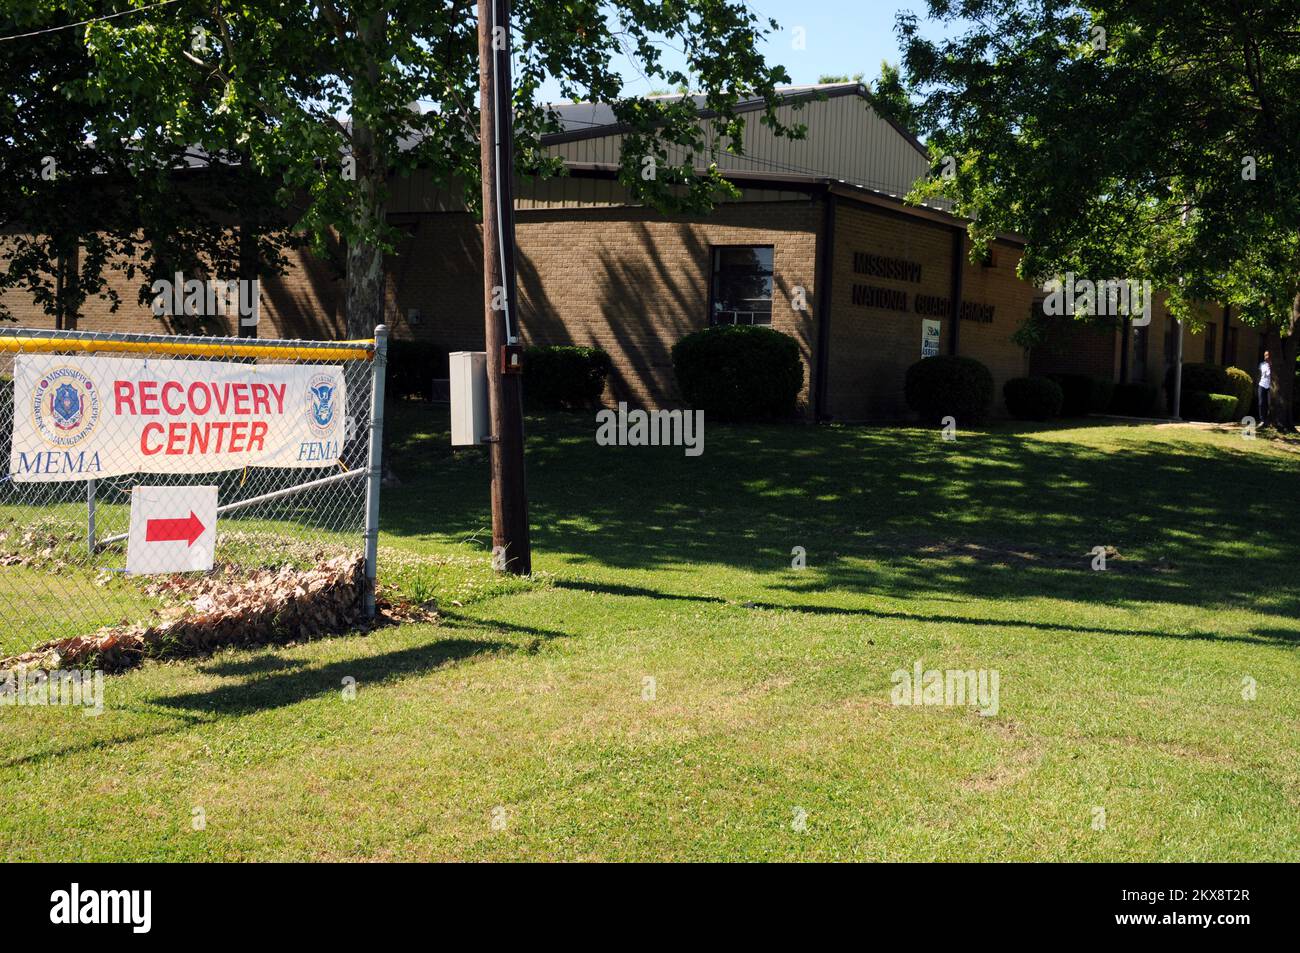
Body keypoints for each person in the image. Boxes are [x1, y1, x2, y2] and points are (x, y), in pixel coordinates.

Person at [1258, 351, 1272, 425]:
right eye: (1265, 355)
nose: (1266, 357)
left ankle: (1268, 420)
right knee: (1261, 403)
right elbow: (1259, 374)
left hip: (1270, 386)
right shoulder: (1261, 364)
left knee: (1269, 404)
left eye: (1268, 355)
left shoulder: (1274, 365)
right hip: (1262, 384)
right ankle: (1262, 420)